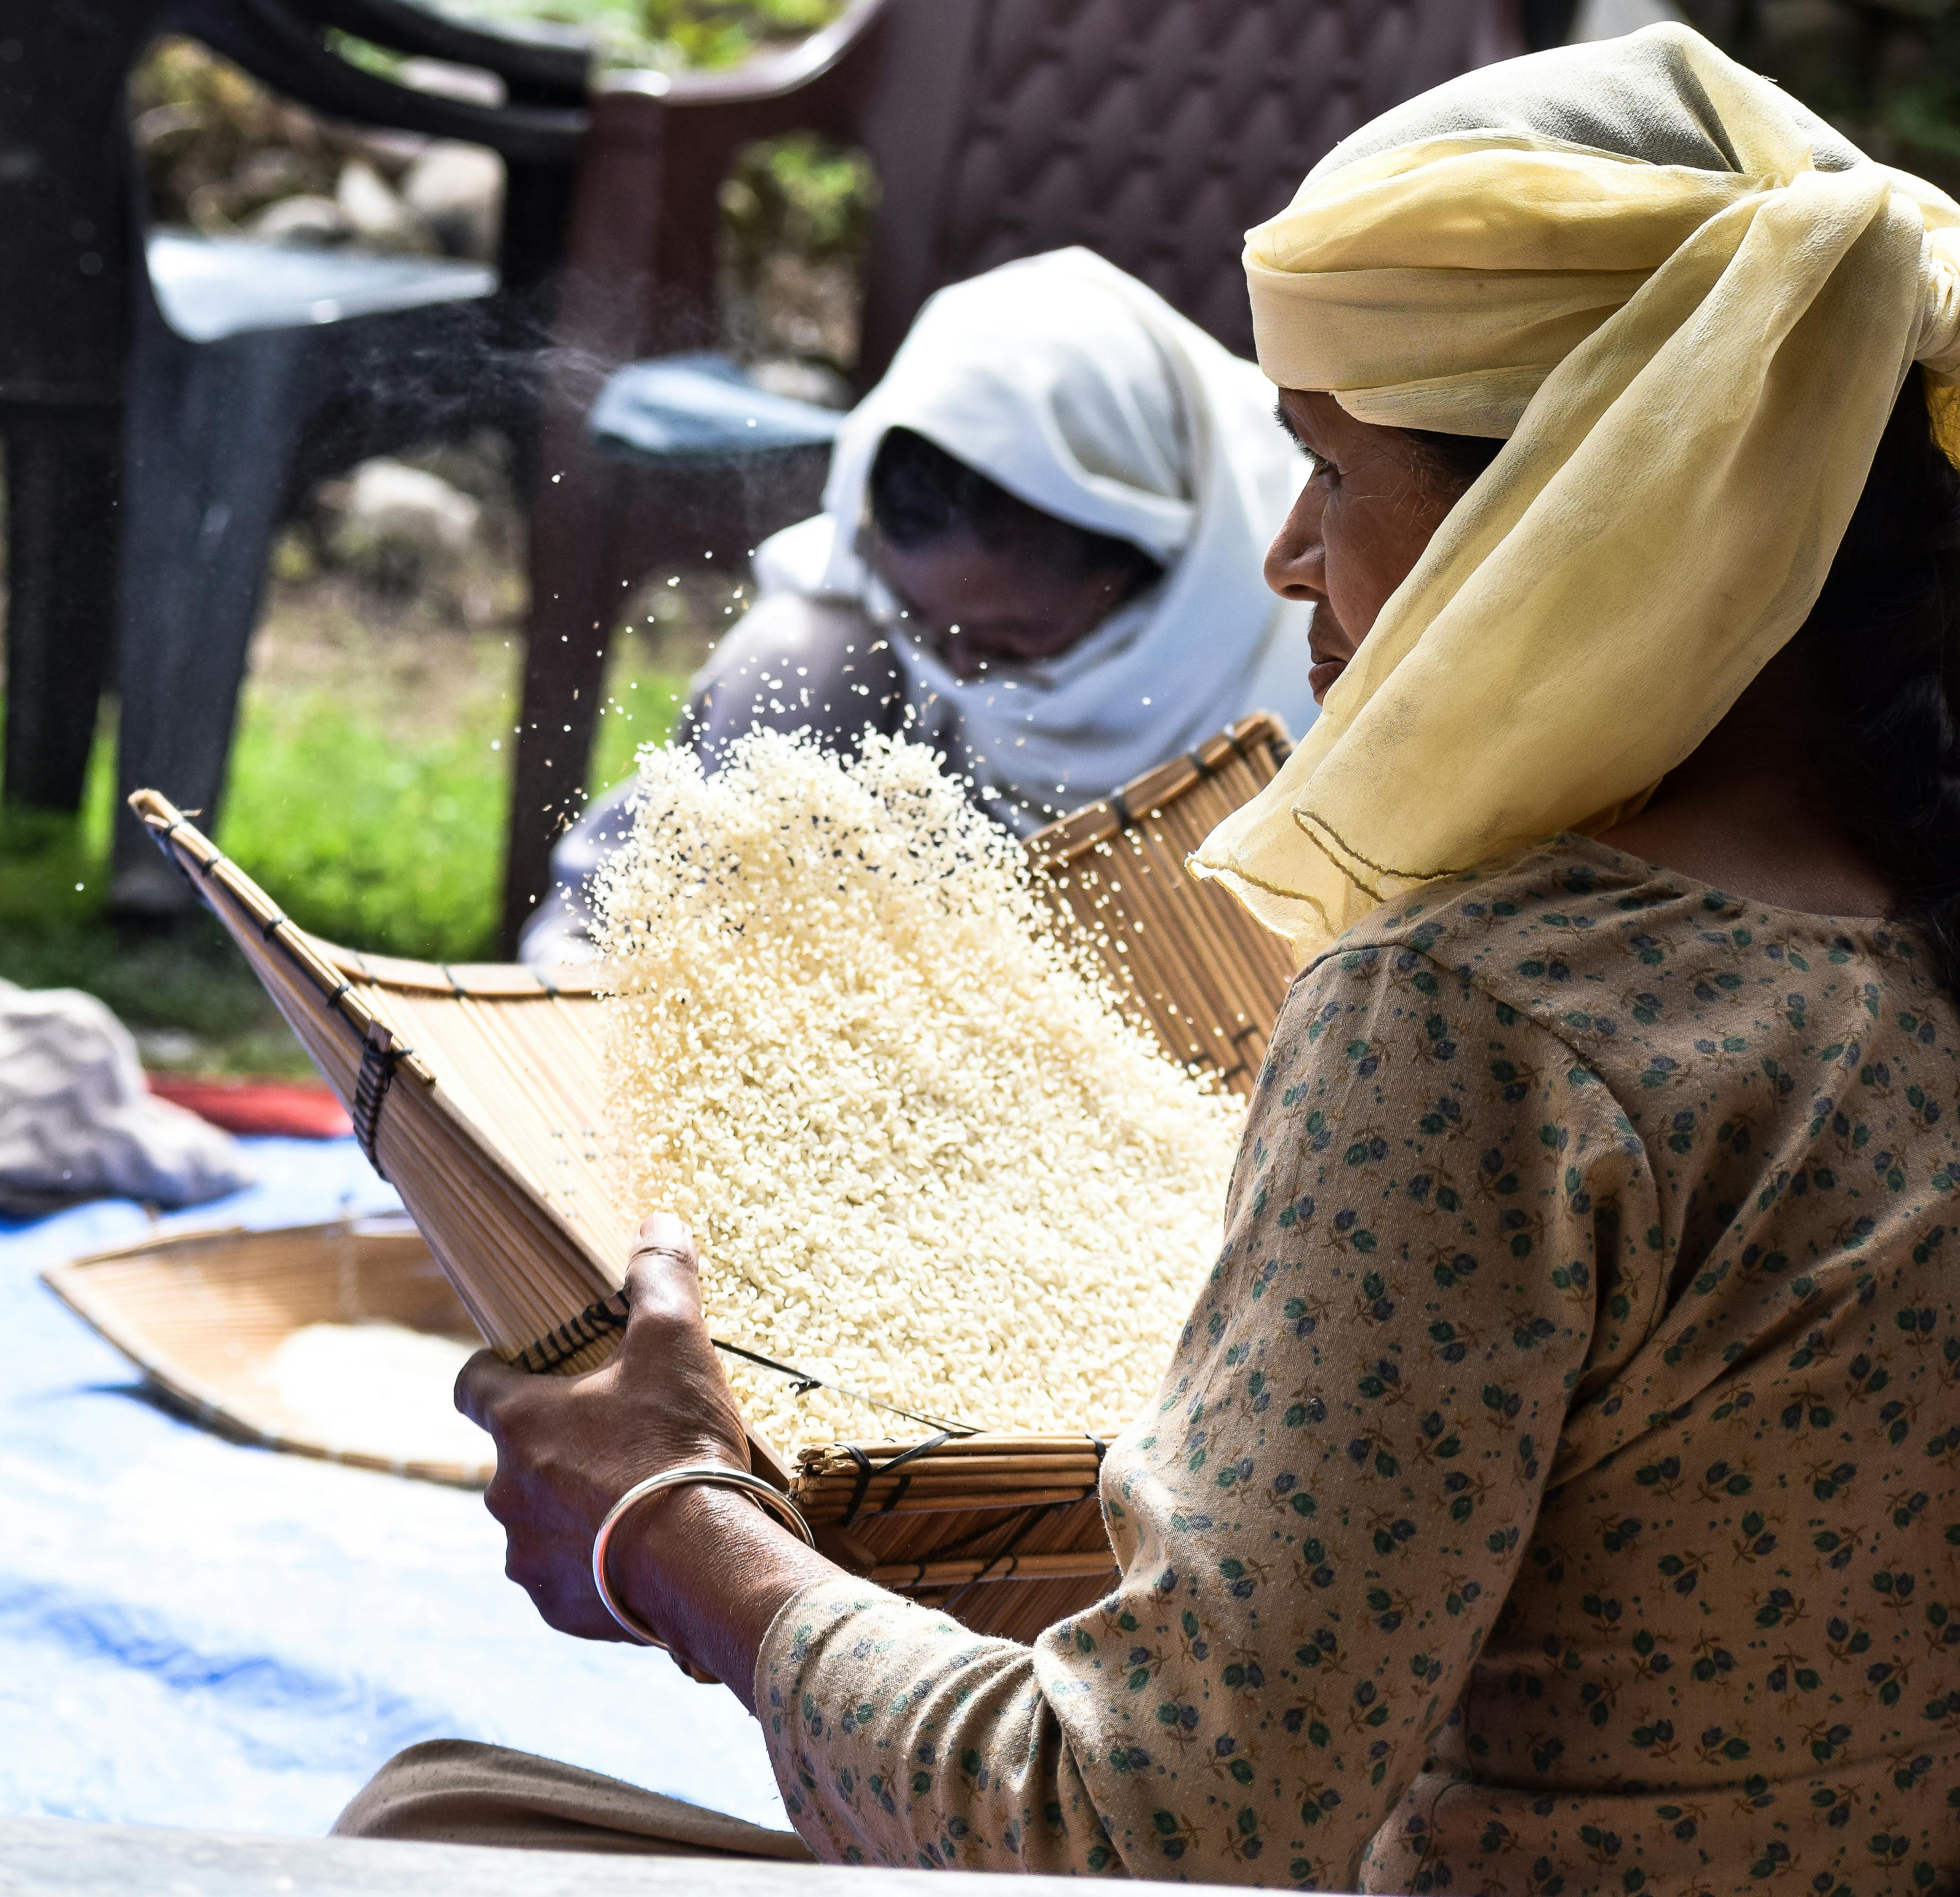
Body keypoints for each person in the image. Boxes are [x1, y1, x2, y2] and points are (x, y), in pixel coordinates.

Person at [357, 26, 1960, 1891]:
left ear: (1567, 524)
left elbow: (1146, 1833)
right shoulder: (1889, 920)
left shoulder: (1481, 1018)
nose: (1287, 554)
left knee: (428, 1825)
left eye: (1328, 466)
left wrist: (675, 1527)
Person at [517, 246, 1314, 965]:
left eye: (1009, 639)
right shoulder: (846, 650)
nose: (960, 668)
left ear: (1157, 571)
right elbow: (605, 914)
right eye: (922, 622)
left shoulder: (1312, 655)